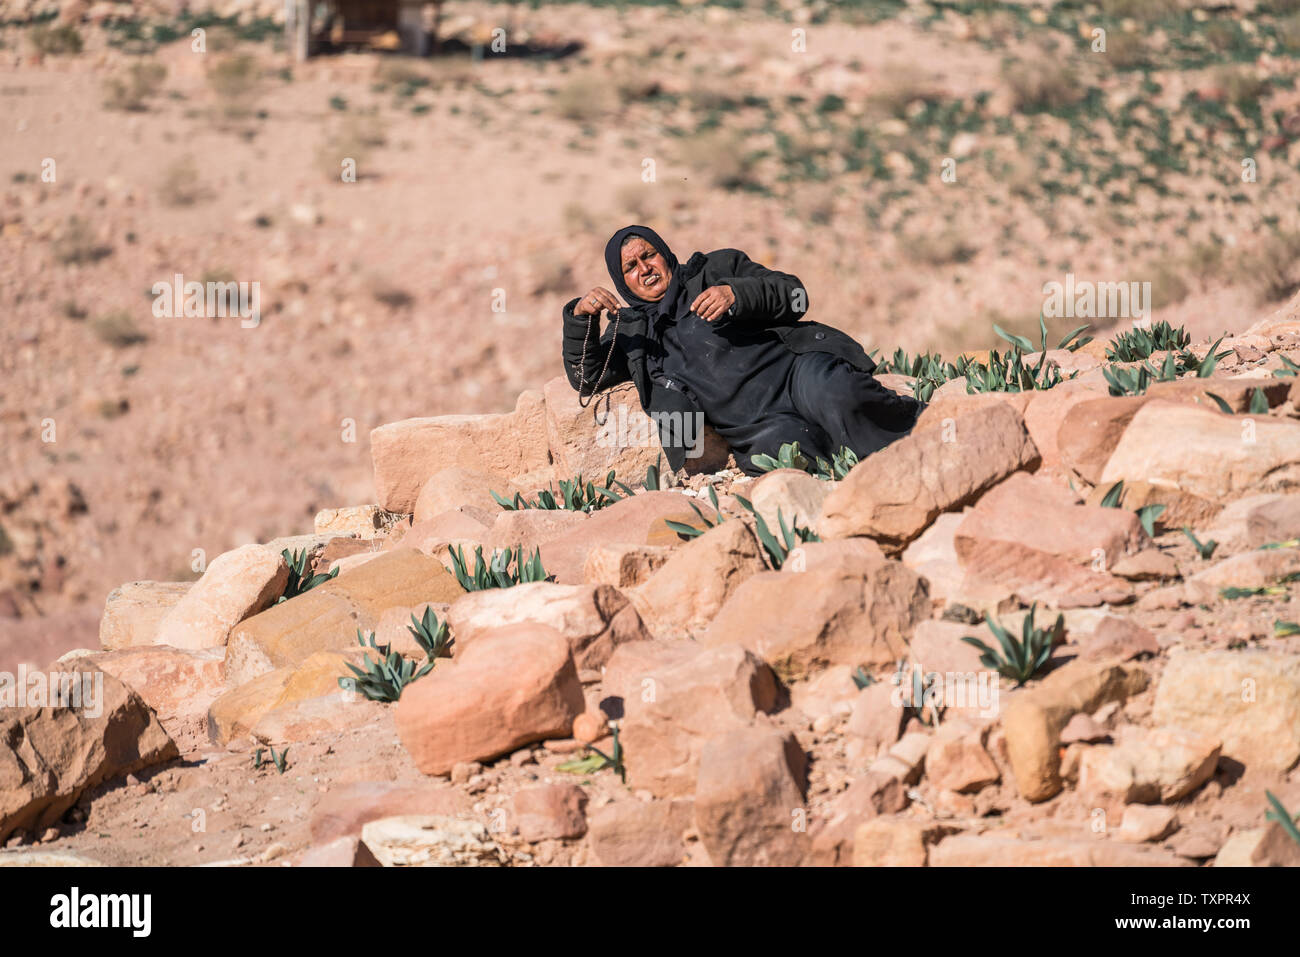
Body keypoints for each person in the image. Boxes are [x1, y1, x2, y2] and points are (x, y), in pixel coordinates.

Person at [561, 224, 922, 475]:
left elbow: (796, 297)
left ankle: (920, 441)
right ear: (620, 281)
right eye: (631, 267)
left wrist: (737, 295)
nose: (645, 268)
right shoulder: (632, 331)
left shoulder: (716, 268)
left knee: (839, 395)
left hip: (796, 374)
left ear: (664, 252)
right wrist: (582, 319)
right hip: (755, 425)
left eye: (649, 255)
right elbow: (585, 378)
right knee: (793, 457)